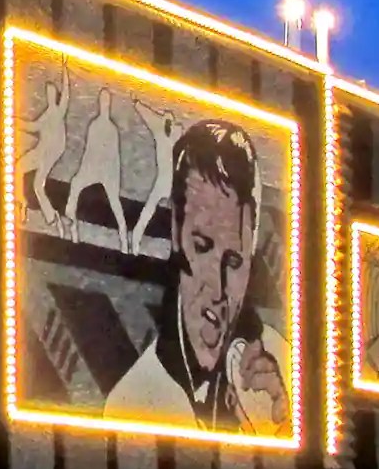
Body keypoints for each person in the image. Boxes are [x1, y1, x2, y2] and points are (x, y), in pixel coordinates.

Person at [105, 119, 287, 431]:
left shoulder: (285, 366)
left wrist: (282, 427)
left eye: (233, 262)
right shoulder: (131, 401)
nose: (217, 288)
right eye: (202, 247)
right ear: (176, 230)